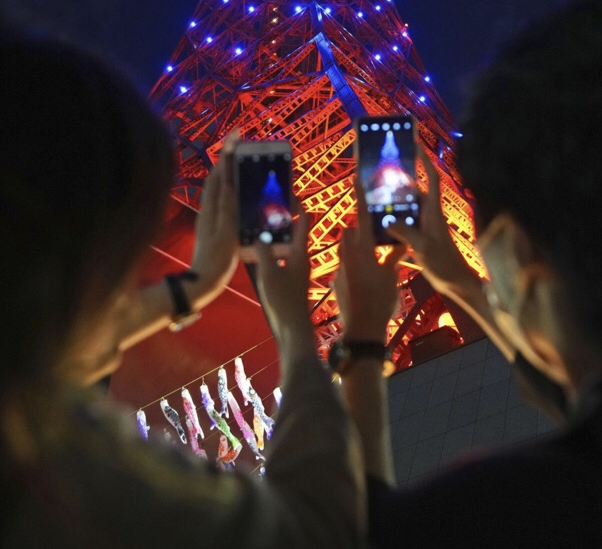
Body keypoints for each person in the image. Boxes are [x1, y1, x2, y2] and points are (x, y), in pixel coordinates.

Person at [335, 0, 602, 547]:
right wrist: (459, 279)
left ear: (519, 253)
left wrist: (359, 340)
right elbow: (598, 403)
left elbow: (359, 527)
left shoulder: (502, 509)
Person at [1, 31, 364, 548]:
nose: (128, 294)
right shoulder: (71, 473)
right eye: (127, 261)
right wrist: (299, 331)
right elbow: (319, 533)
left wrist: (190, 287)